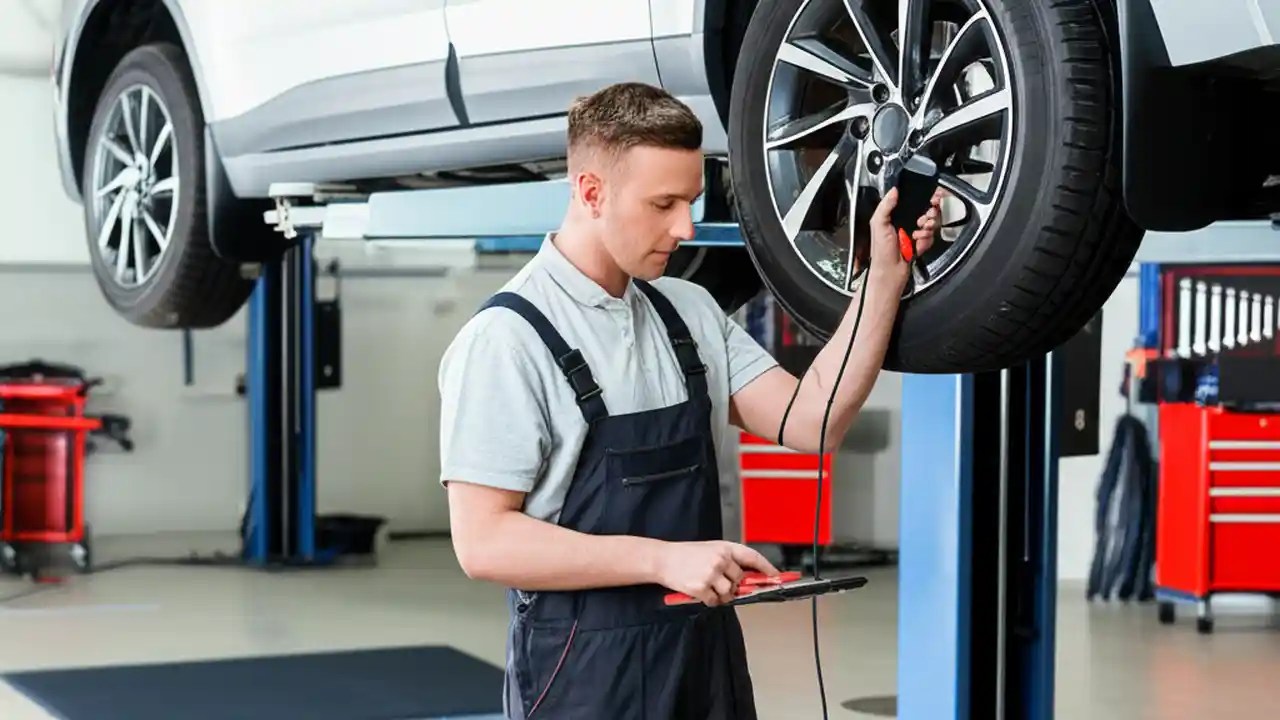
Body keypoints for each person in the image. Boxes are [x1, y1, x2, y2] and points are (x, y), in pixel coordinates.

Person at [438, 82, 940, 719]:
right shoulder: (506, 339)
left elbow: (814, 418)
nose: (686, 226)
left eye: (692, 201)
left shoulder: (688, 311)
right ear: (591, 192)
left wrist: (883, 277)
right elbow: (483, 544)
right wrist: (664, 560)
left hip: (704, 662)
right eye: (663, 203)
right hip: (585, 675)